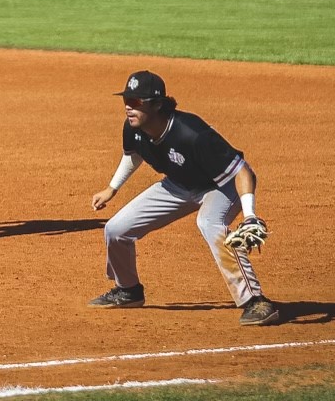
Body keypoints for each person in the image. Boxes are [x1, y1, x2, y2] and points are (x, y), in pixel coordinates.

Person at [88, 70, 280, 326]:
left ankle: (255, 301)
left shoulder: (191, 133)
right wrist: (112, 188)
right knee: (116, 229)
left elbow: (241, 170)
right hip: (178, 185)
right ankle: (128, 290)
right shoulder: (134, 128)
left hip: (221, 186)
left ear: (157, 104)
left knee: (209, 223)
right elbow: (134, 154)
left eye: (135, 101)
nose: (128, 107)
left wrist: (250, 214)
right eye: (126, 100)